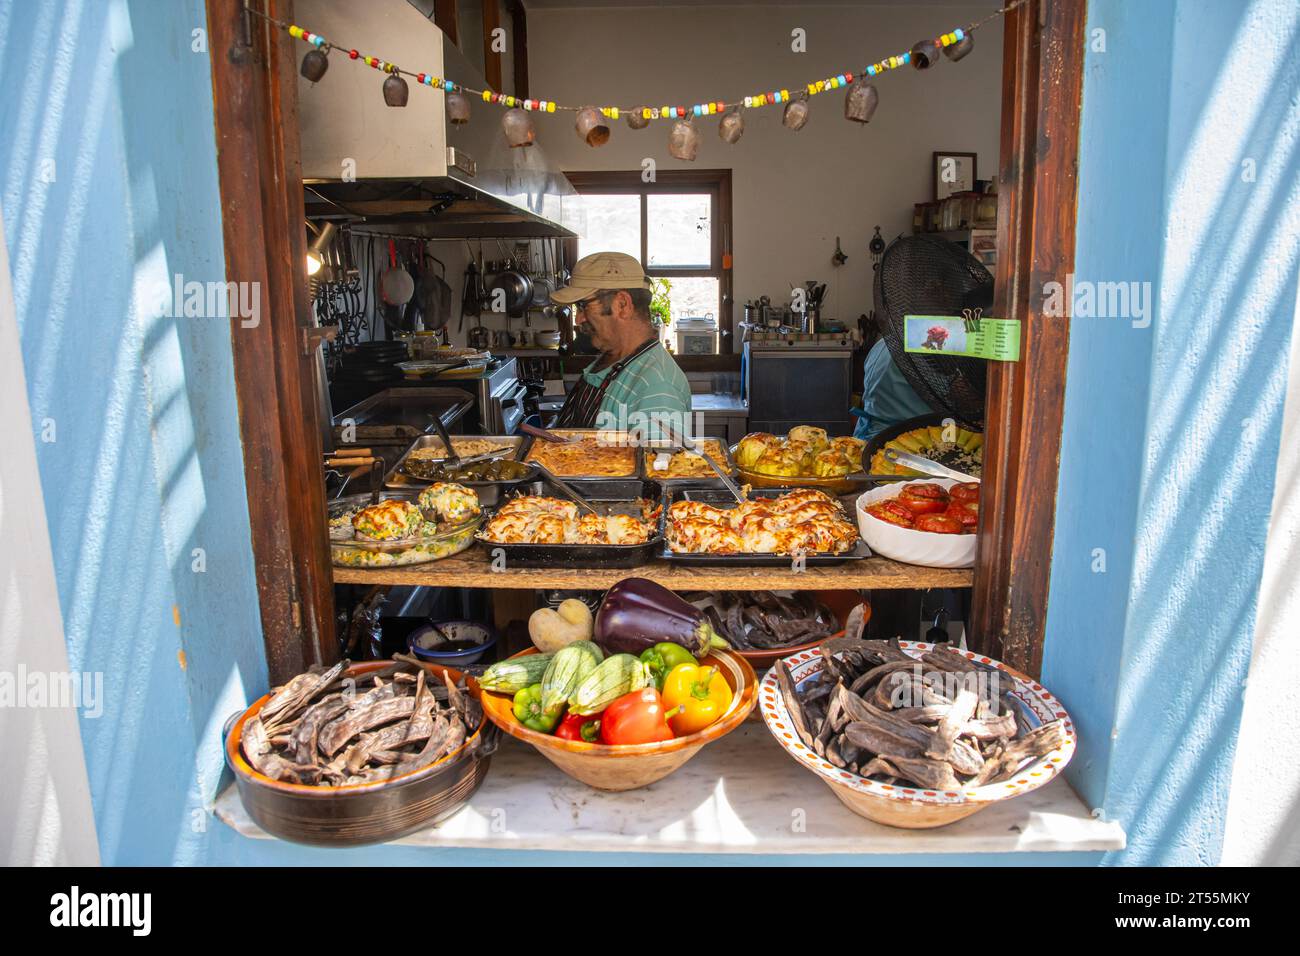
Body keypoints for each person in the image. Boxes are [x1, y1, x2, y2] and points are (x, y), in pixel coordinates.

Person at [549, 252, 692, 440]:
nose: (579, 318)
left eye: (583, 306)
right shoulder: (613, 358)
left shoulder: (657, 388)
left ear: (622, 304)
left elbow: (657, 466)